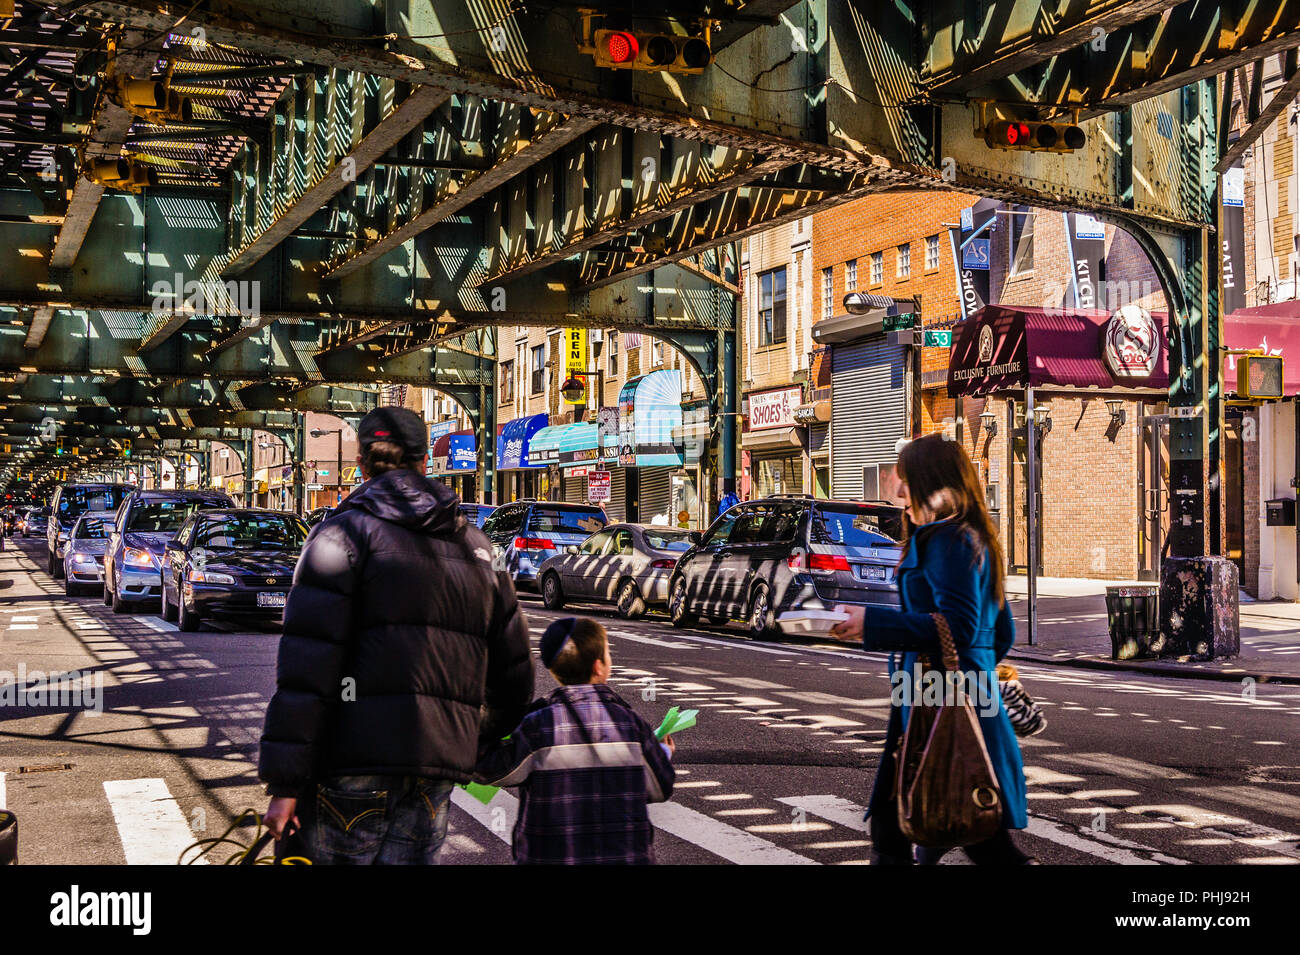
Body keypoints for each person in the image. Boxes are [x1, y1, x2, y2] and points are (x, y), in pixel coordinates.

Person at [258, 406, 533, 864]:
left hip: (351, 762)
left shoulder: (340, 536)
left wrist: (285, 785)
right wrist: (462, 732)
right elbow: (514, 675)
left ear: (362, 464)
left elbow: (308, 672)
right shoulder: (478, 548)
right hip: (434, 769)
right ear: (426, 460)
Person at [828, 433, 1032, 865]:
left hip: (939, 700)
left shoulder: (947, 541)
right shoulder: (965, 536)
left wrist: (872, 623)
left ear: (926, 481)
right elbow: (1001, 634)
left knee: (966, 826)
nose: (896, 488)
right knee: (909, 820)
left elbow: (957, 627)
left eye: (902, 477)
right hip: (936, 696)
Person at [474, 616, 676, 865]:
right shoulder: (630, 723)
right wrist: (663, 753)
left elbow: (490, 770)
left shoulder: (537, 726)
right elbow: (660, 786)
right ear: (598, 666)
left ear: (554, 670)